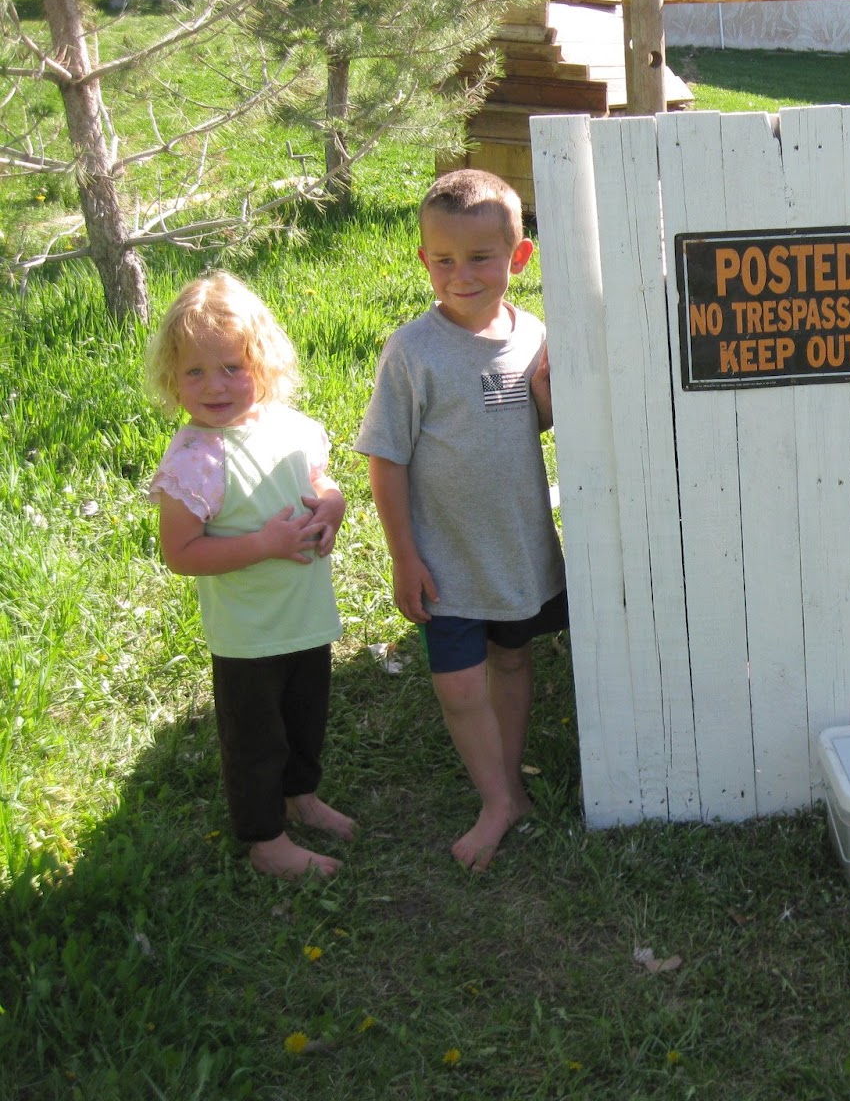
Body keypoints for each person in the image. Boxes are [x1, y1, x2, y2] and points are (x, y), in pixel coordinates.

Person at [357, 168, 567, 871]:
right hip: (445, 558)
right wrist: (403, 556)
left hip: (516, 549)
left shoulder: (532, 334)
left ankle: (507, 787)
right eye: (443, 260)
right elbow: (385, 459)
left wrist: (545, 398)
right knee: (457, 685)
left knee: (512, 659)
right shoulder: (413, 353)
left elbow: (528, 426)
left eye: (480, 258)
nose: (461, 274)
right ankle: (494, 799)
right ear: (423, 261)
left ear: (518, 258)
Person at [146, 272, 355, 880]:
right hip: (247, 634)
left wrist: (333, 506)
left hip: (306, 616)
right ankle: (265, 841)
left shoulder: (291, 429)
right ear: (171, 378)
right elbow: (181, 552)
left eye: (232, 367)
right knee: (255, 739)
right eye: (194, 372)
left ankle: (301, 797)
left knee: (304, 719)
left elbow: (320, 483)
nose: (215, 386)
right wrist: (263, 544)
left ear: (262, 364)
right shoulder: (195, 459)